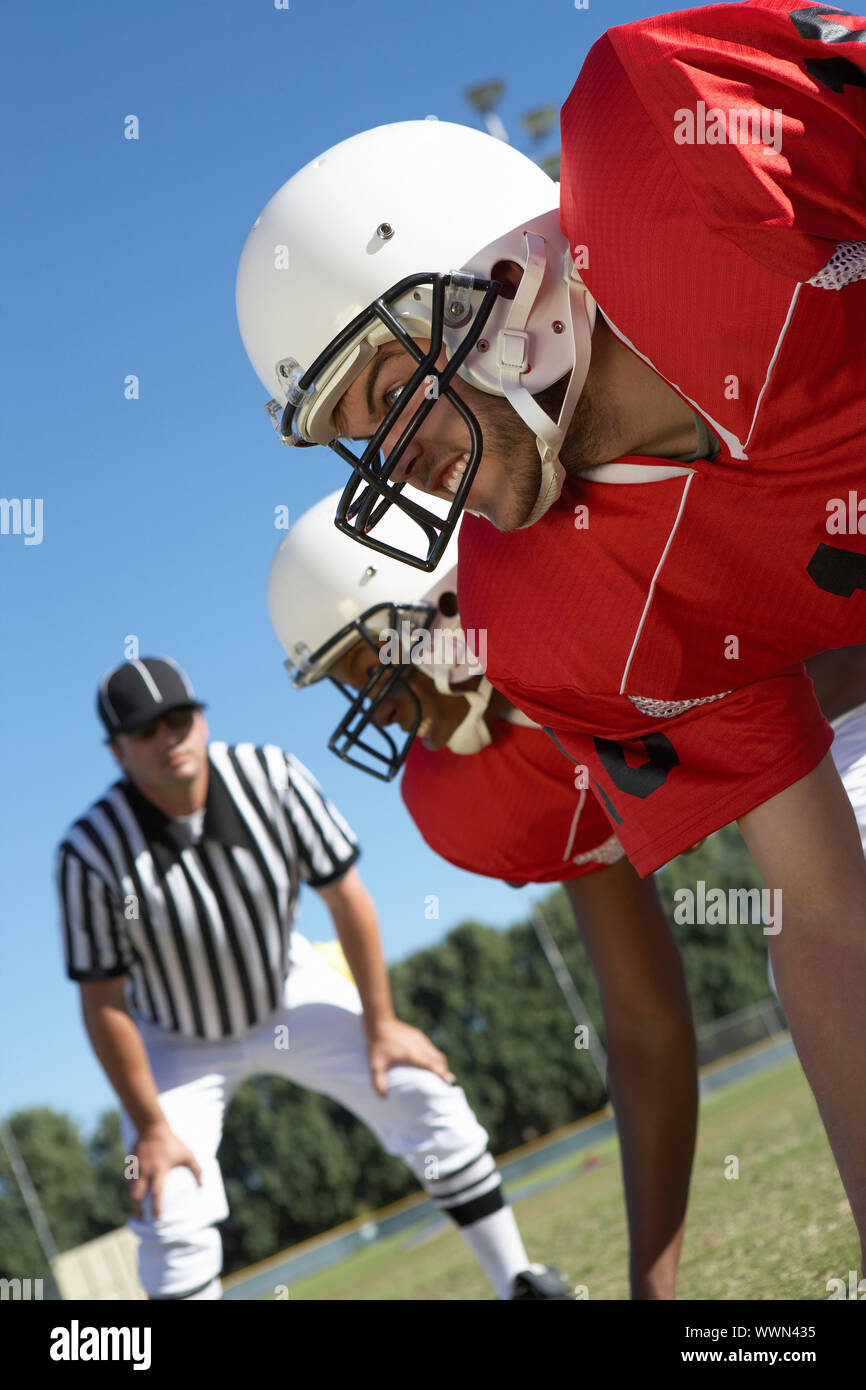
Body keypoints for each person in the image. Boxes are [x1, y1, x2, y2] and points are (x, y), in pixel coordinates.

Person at [234, 3, 866, 1263]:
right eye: (358, 441)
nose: (397, 471)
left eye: (387, 399)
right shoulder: (559, 615)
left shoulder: (670, 139)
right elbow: (822, 906)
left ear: (498, 278)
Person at [268, 495, 698, 1300]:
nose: (379, 712)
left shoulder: (600, 598)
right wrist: (653, 1290)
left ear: (442, 608)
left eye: (372, 674)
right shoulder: (486, 785)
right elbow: (645, 1020)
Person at [54, 656, 571, 1300]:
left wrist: (382, 1024)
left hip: (287, 989)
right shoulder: (89, 851)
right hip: (176, 1035)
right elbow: (102, 1003)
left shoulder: (271, 776)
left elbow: (347, 897)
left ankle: (517, 1281)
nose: (168, 738)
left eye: (178, 718)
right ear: (117, 752)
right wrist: (152, 1127)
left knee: (419, 1086)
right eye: (145, 730)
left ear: (202, 719)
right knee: (170, 1198)